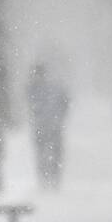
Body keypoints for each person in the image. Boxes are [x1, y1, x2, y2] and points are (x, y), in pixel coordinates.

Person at [26, 60, 71, 189]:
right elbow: (65, 102)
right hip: (49, 124)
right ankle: (49, 177)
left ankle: (48, 177)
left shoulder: (34, 88)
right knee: (49, 151)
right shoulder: (43, 88)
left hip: (46, 125)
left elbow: (64, 102)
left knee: (47, 151)